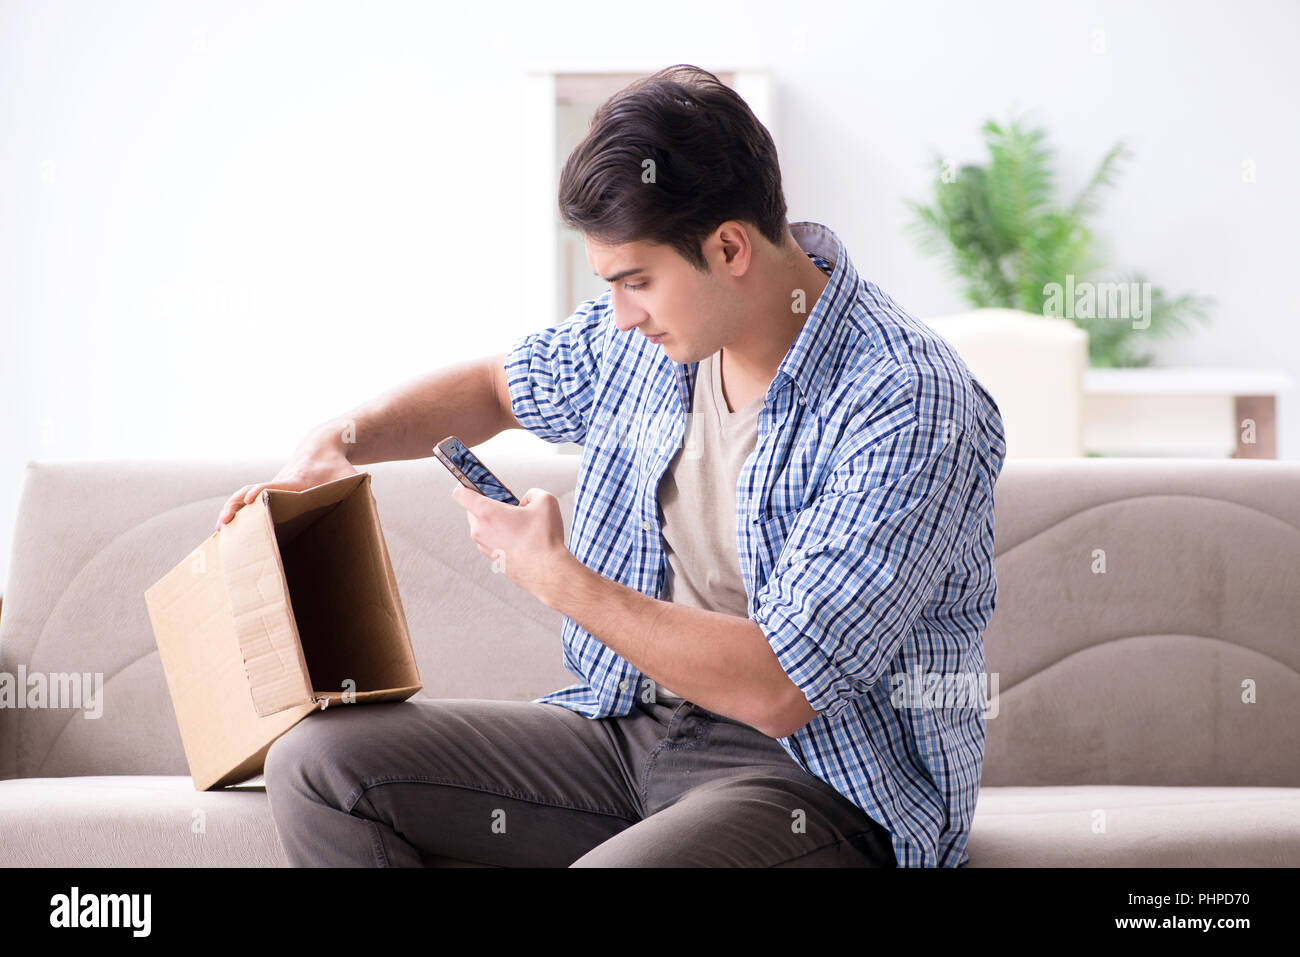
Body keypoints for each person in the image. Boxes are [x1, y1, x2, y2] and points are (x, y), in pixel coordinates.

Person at [218, 63, 1006, 867]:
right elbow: (498, 386)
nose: (620, 315)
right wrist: (339, 438)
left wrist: (555, 575)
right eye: (611, 284)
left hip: (815, 778)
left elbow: (782, 687)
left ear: (730, 245)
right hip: (630, 730)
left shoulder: (909, 401)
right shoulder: (649, 339)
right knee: (319, 765)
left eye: (637, 282)